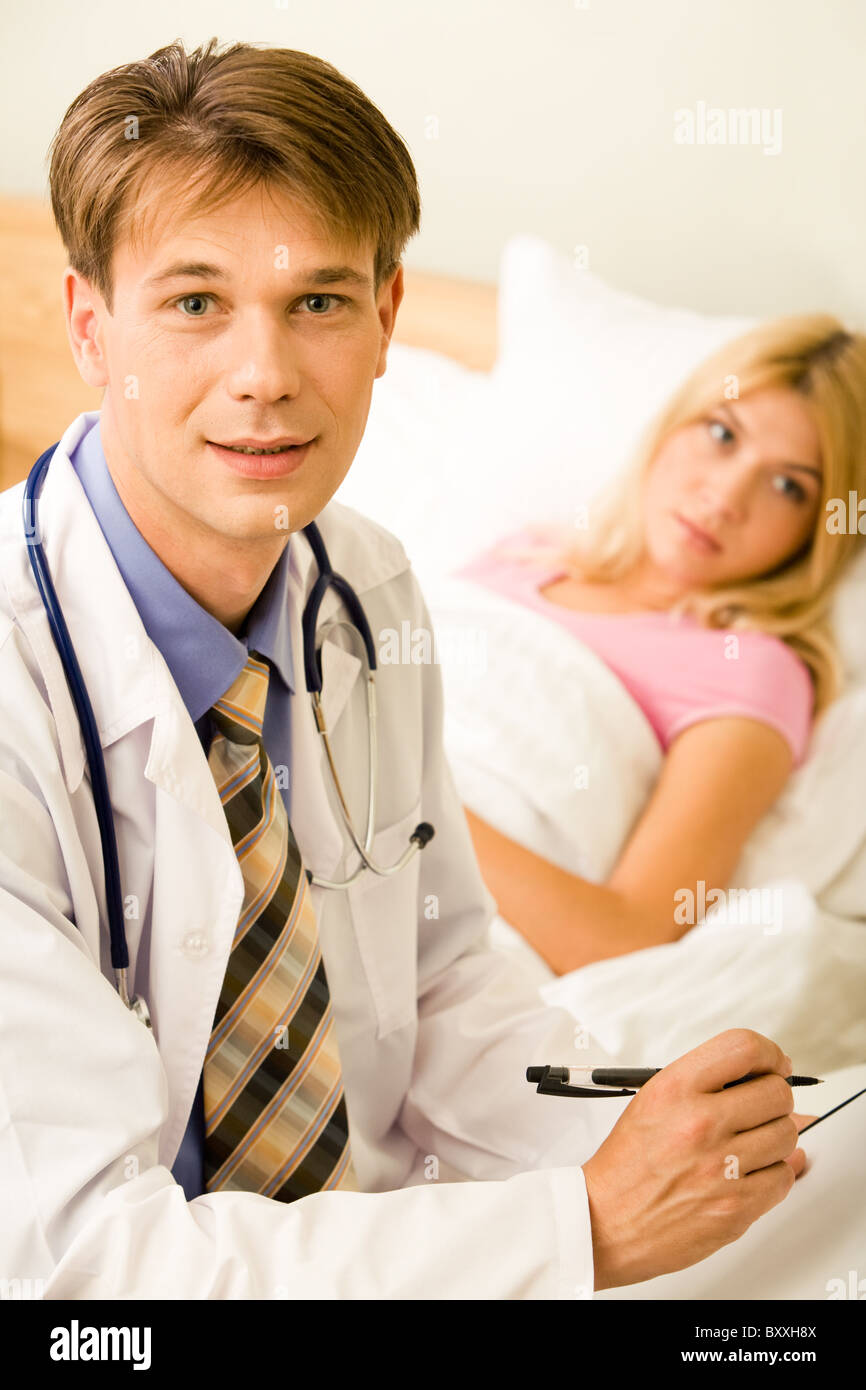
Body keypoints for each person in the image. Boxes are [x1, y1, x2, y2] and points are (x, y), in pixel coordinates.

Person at [0, 37, 812, 1300]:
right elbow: (82, 1266)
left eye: (317, 301)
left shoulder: (364, 586)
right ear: (89, 327)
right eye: (196, 302)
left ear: (384, 320)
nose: (263, 378)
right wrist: (576, 1232)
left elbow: (439, 984)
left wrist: (627, 1143)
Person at [456, 319, 866, 973]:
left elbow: (622, 938)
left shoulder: (750, 669)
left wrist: (393, 797)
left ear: (819, 531)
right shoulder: (524, 555)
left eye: (789, 486)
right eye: (722, 434)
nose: (725, 497)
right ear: (676, 420)